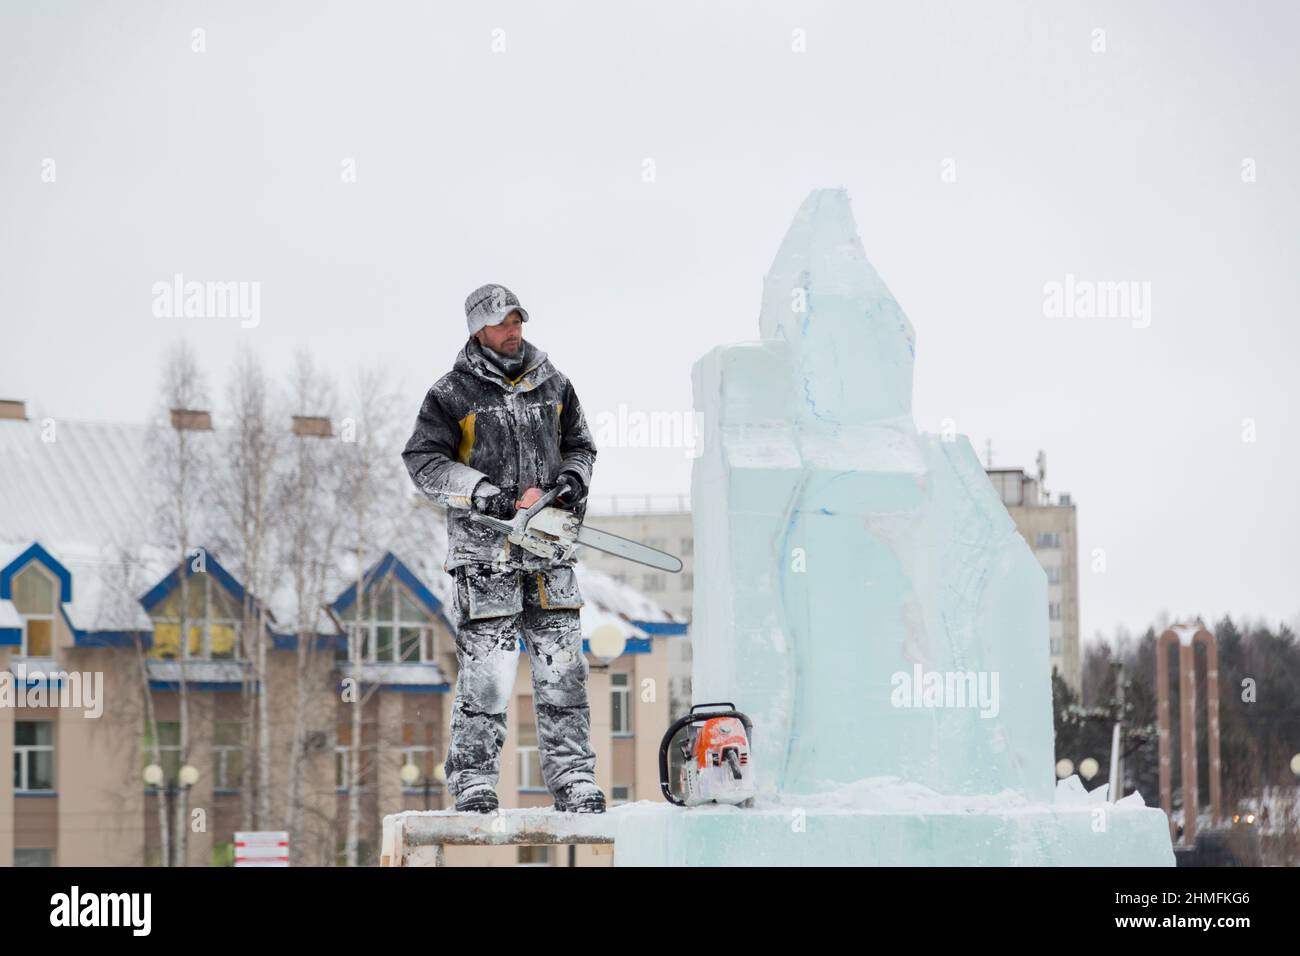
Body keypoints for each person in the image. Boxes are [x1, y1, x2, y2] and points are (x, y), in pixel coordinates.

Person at [401, 283, 605, 813]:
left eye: (518, 320)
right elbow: (424, 462)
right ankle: (473, 780)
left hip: (549, 554)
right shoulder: (452, 394)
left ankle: (574, 777)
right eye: (502, 322)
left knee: (563, 672)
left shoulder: (553, 385)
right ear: (478, 329)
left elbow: (580, 444)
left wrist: (572, 480)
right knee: (487, 677)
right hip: (486, 557)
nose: (514, 330)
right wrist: (485, 494)